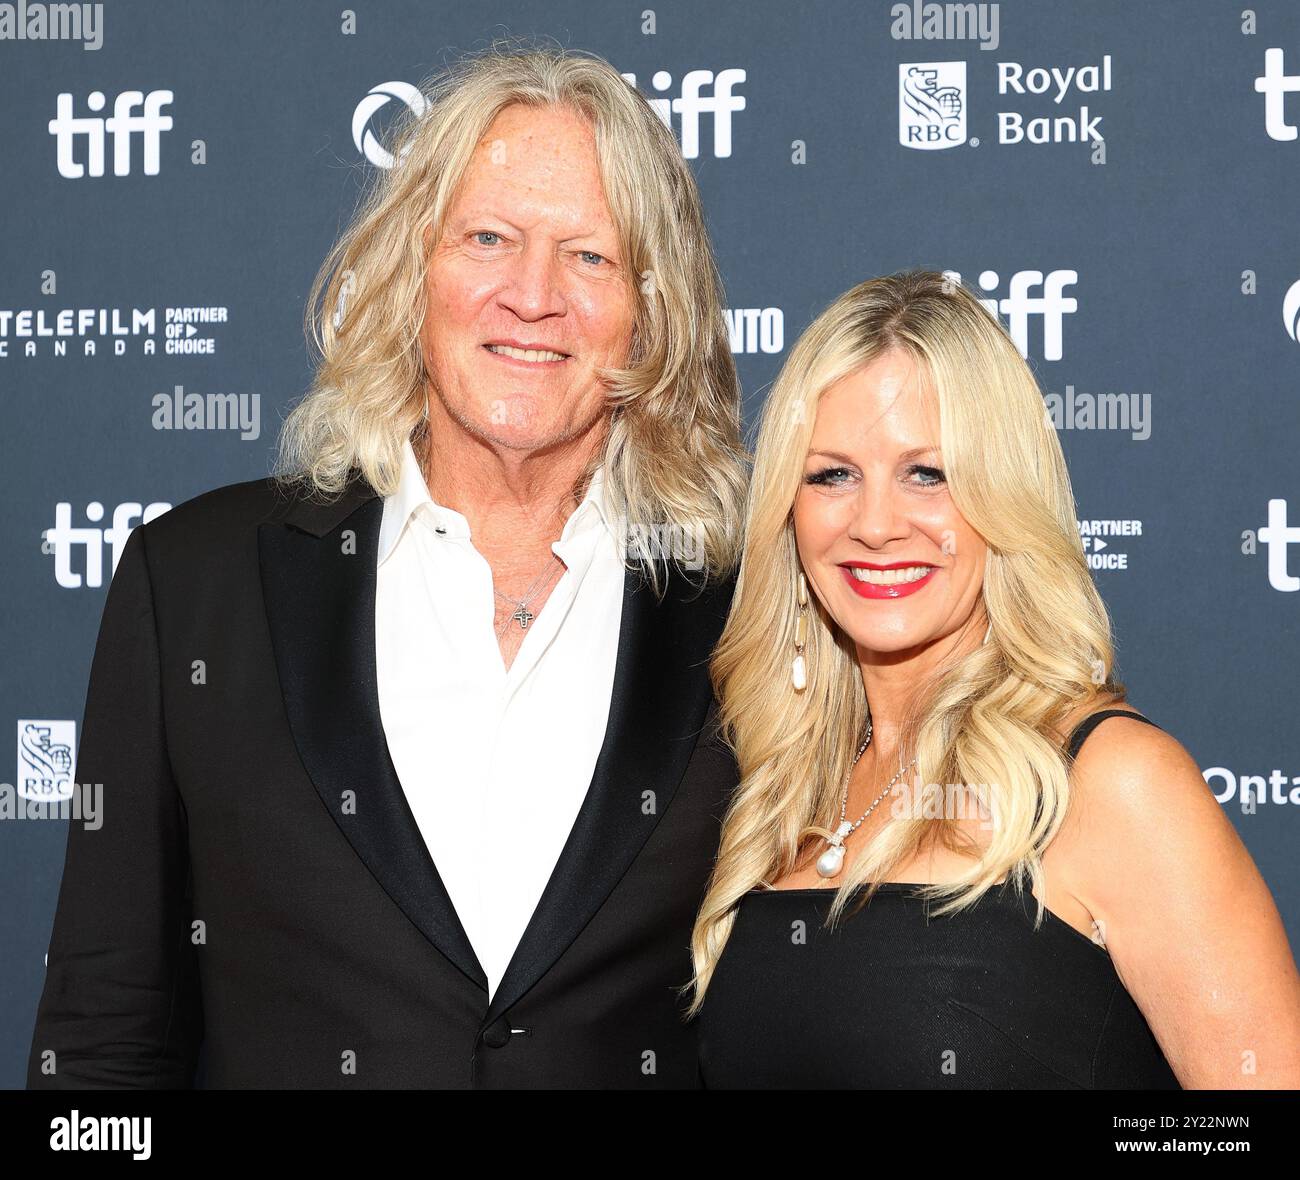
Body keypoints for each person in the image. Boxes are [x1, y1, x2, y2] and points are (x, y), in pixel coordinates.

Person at [27, 44, 746, 1089]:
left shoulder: (748, 615)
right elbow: (100, 1040)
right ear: (413, 270)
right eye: (489, 238)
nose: (531, 295)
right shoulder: (191, 587)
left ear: (652, 308)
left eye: (589, 257)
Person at [689, 269, 1300, 1089]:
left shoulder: (1108, 782)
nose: (875, 524)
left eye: (927, 474)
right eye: (832, 474)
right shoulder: (777, 795)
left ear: (1002, 496)